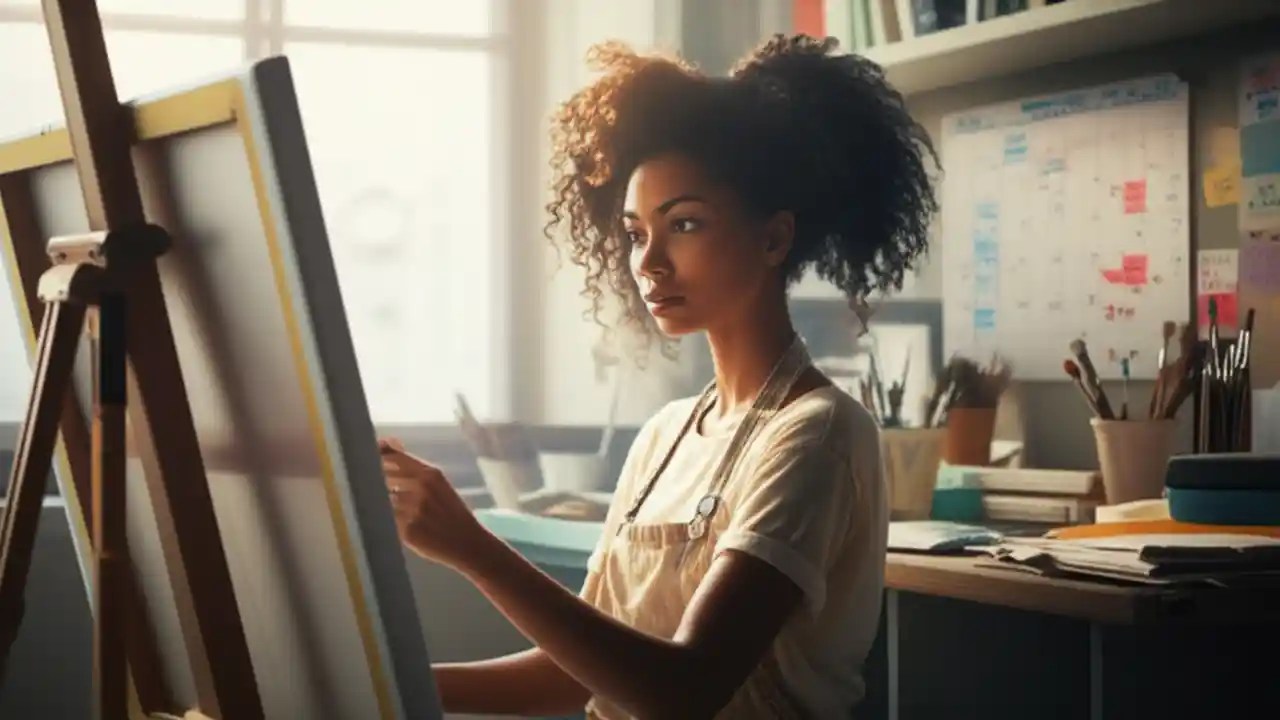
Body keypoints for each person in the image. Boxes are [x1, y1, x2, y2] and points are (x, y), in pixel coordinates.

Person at [381, 33, 937, 718]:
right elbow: (575, 675)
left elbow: (685, 690)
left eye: (685, 224)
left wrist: (473, 549)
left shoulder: (817, 435)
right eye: (637, 233)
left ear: (774, 238)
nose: (649, 263)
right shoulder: (665, 436)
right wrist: (381, 684)